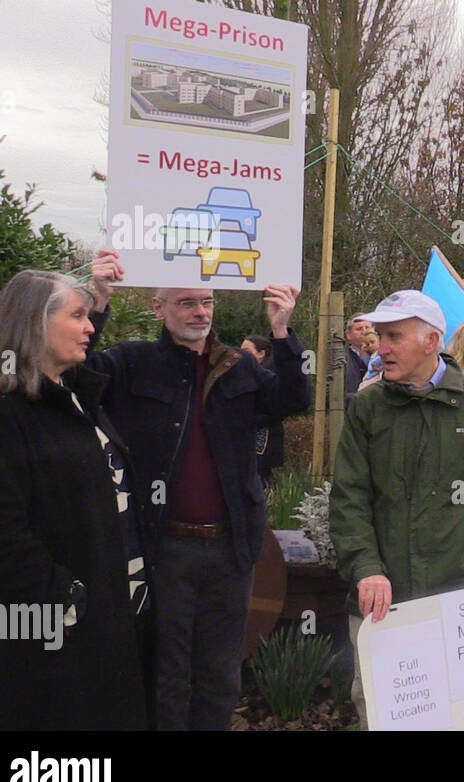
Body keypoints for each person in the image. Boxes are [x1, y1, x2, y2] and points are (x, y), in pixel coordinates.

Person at [84, 248, 311, 731]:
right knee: (166, 671)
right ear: (158, 308)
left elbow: (294, 399)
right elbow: (78, 379)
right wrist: (98, 302)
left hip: (231, 547)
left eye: (206, 301)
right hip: (163, 546)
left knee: (220, 673)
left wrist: (282, 330)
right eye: (186, 302)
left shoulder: (238, 366)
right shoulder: (133, 363)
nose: (200, 312)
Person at [328, 290, 464, 729]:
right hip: (387, 598)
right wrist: (366, 568)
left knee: (460, 712)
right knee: (387, 712)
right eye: (379, 335)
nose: (380, 347)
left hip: (461, 593)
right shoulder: (367, 407)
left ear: (430, 340)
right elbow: (349, 496)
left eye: (393, 336)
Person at [0, 270, 149, 730]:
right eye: (77, 316)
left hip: (112, 622)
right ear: (34, 322)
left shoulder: (74, 397)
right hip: (62, 642)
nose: (90, 328)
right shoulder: (1, 411)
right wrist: (66, 600)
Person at [241, 335, 286, 488]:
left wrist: (250, 420)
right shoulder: (244, 374)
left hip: (264, 434)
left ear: (261, 353)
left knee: (261, 473)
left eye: (246, 350)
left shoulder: (270, 376)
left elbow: (276, 408)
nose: (241, 354)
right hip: (250, 432)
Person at [343, 315, 373, 402]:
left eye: (367, 328)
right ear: (348, 335)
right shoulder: (340, 360)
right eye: (359, 329)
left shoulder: (383, 356)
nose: (364, 332)